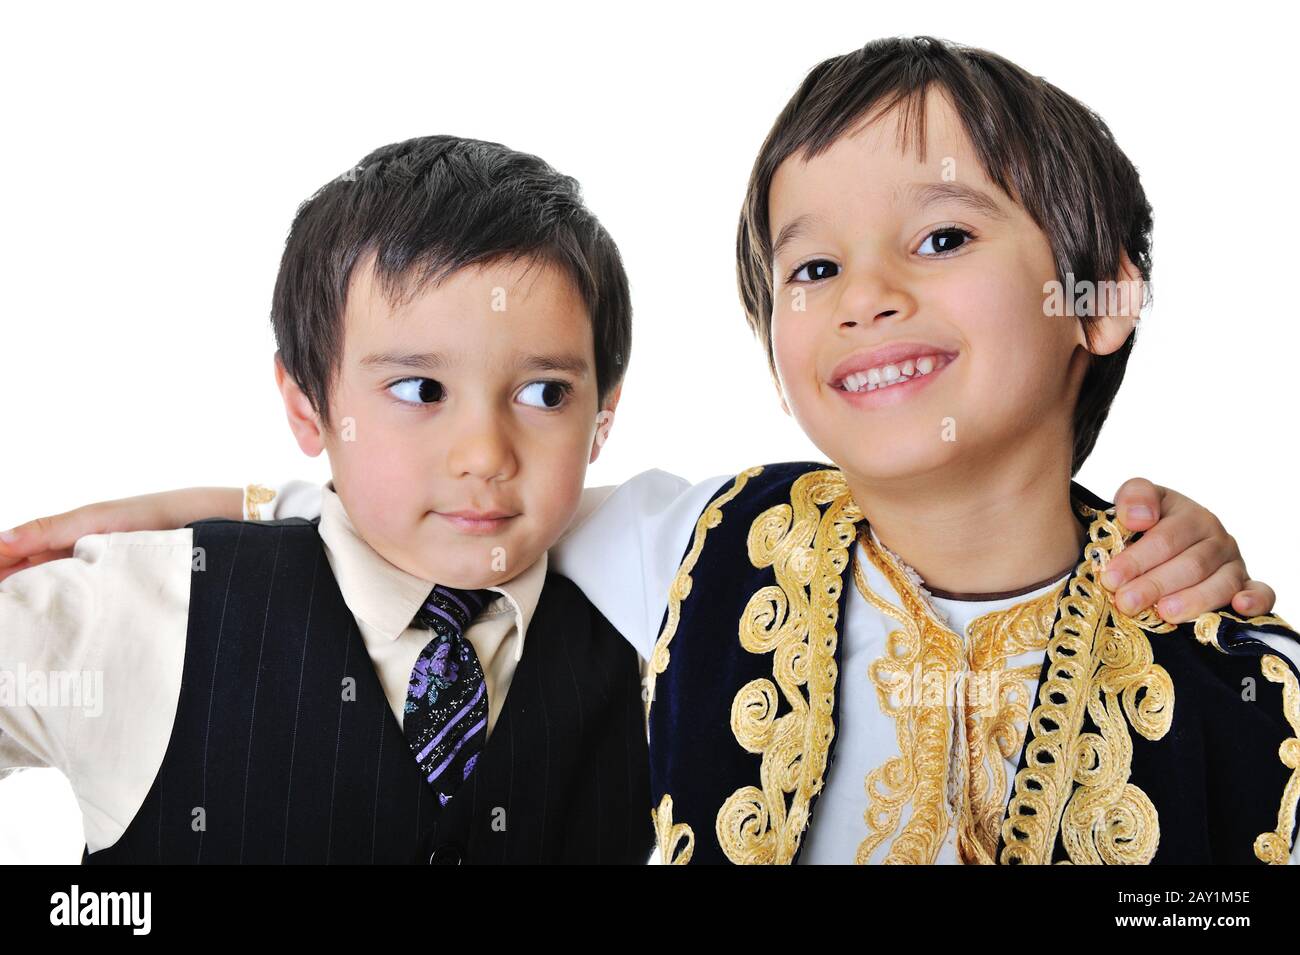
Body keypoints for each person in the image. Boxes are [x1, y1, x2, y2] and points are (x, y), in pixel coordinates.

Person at [2, 40, 1288, 866]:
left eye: (942, 238)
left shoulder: (1257, 699)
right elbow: (441, 506)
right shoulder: (701, 547)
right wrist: (209, 514)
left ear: (1102, 301)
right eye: (813, 265)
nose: (864, 296)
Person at [0, 135, 652, 863]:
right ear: (308, 406)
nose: (484, 456)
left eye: (545, 393)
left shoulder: (656, 637)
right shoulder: (149, 607)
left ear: (604, 415)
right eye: (419, 390)